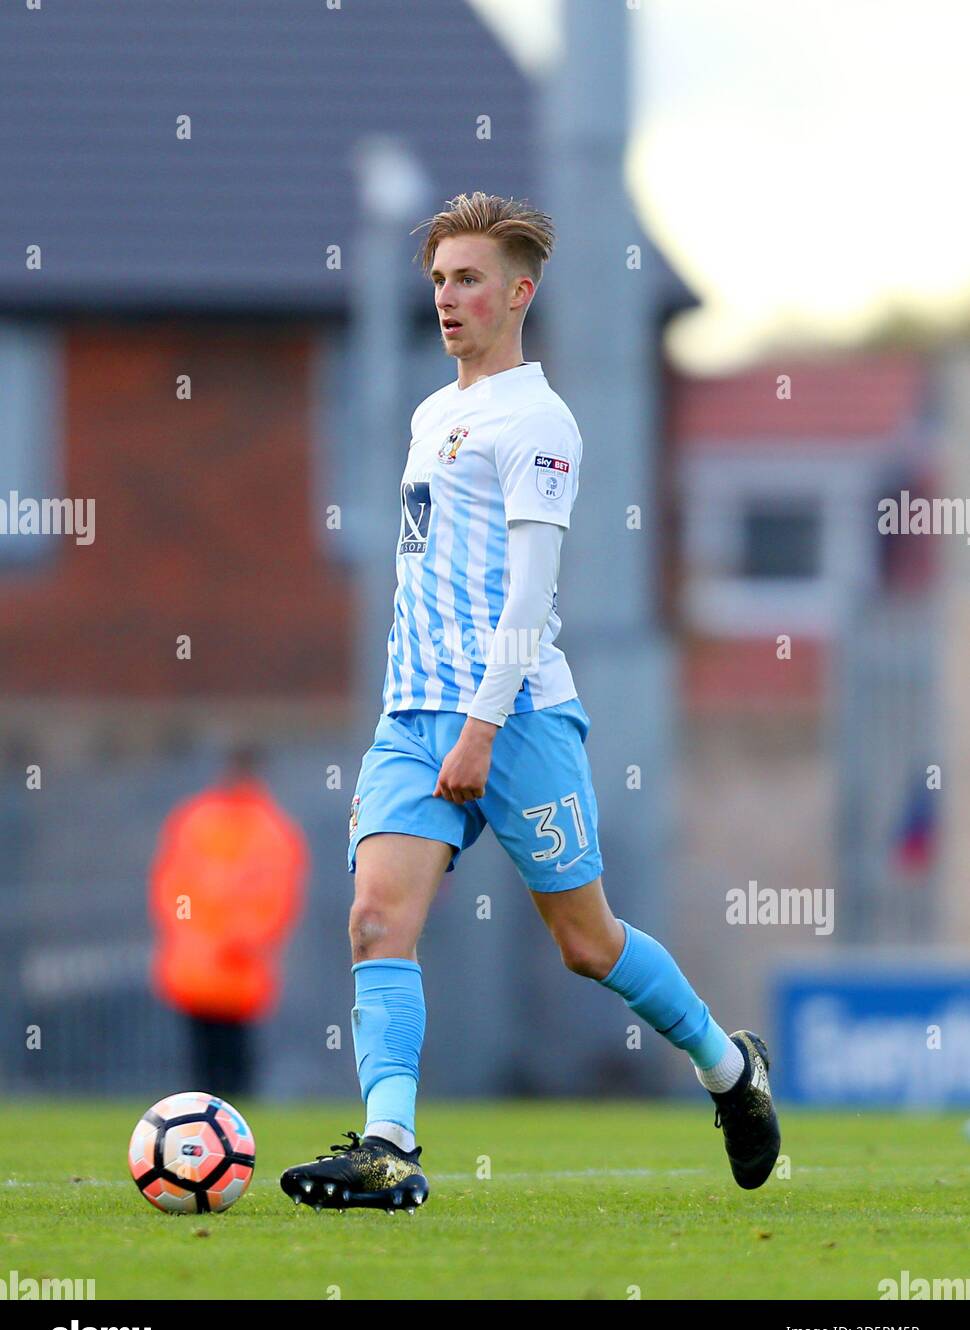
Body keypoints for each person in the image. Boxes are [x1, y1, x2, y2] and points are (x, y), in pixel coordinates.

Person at [280, 192, 779, 1214]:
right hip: (412, 715)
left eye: (466, 279)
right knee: (376, 919)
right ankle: (387, 1144)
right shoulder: (431, 413)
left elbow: (528, 592)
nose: (447, 299)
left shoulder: (539, 419)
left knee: (585, 941)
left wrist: (482, 723)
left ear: (519, 291)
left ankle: (727, 1070)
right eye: (435, 281)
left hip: (515, 718)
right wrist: (422, 712)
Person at [150, 744, 308, 1099]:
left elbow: (276, 895)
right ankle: (210, 1128)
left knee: (230, 1057)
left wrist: (240, 937)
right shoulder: (203, 822)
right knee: (205, 1058)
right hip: (203, 963)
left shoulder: (264, 829)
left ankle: (218, 1128)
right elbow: (174, 887)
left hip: (234, 964)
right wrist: (201, 935)